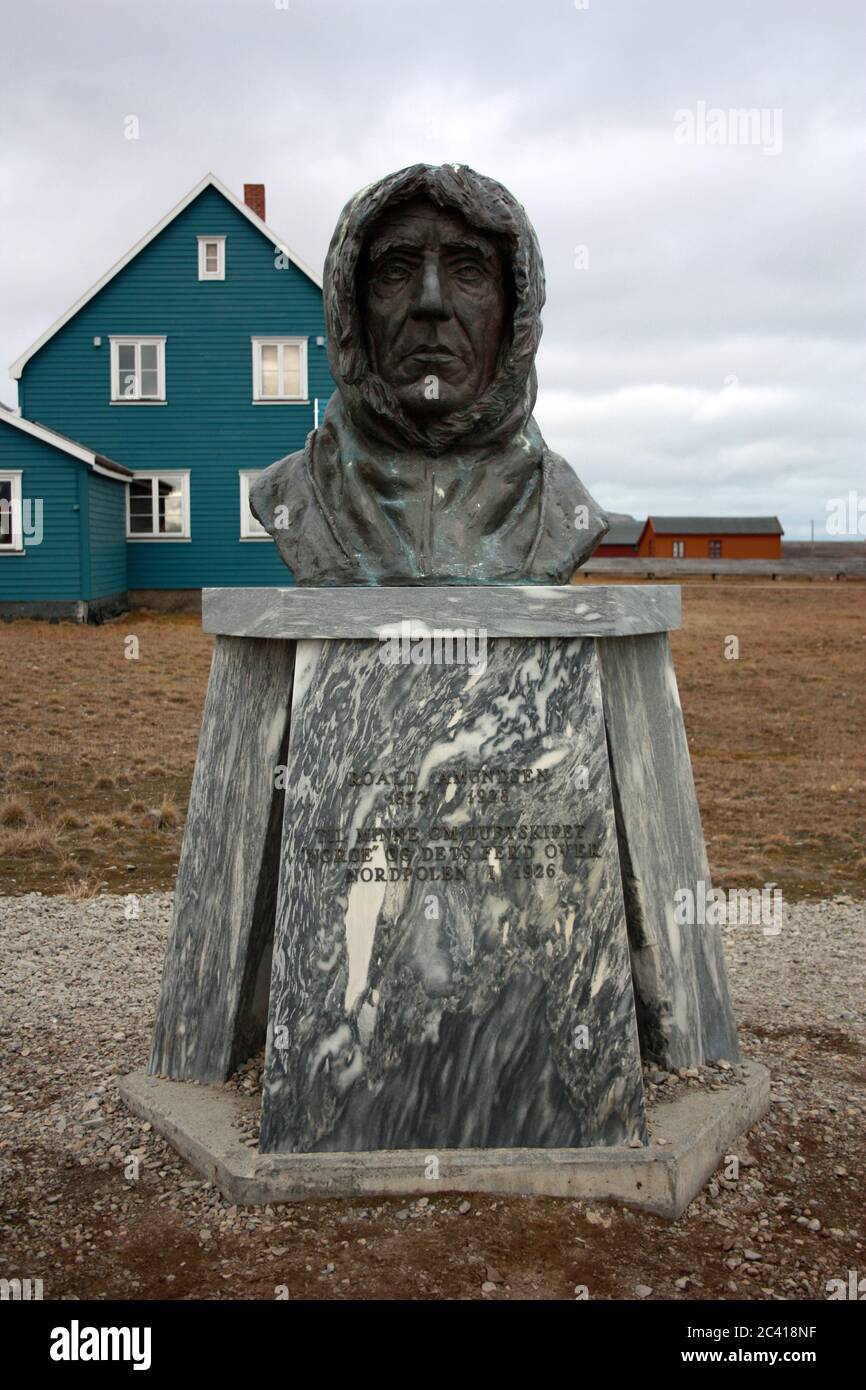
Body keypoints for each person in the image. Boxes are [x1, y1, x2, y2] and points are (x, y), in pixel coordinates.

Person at [251, 163, 608, 584]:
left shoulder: (564, 509)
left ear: (516, 311)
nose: (431, 302)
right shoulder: (291, 494)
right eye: (396, 271)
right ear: (351, 307)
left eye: (469, 271)